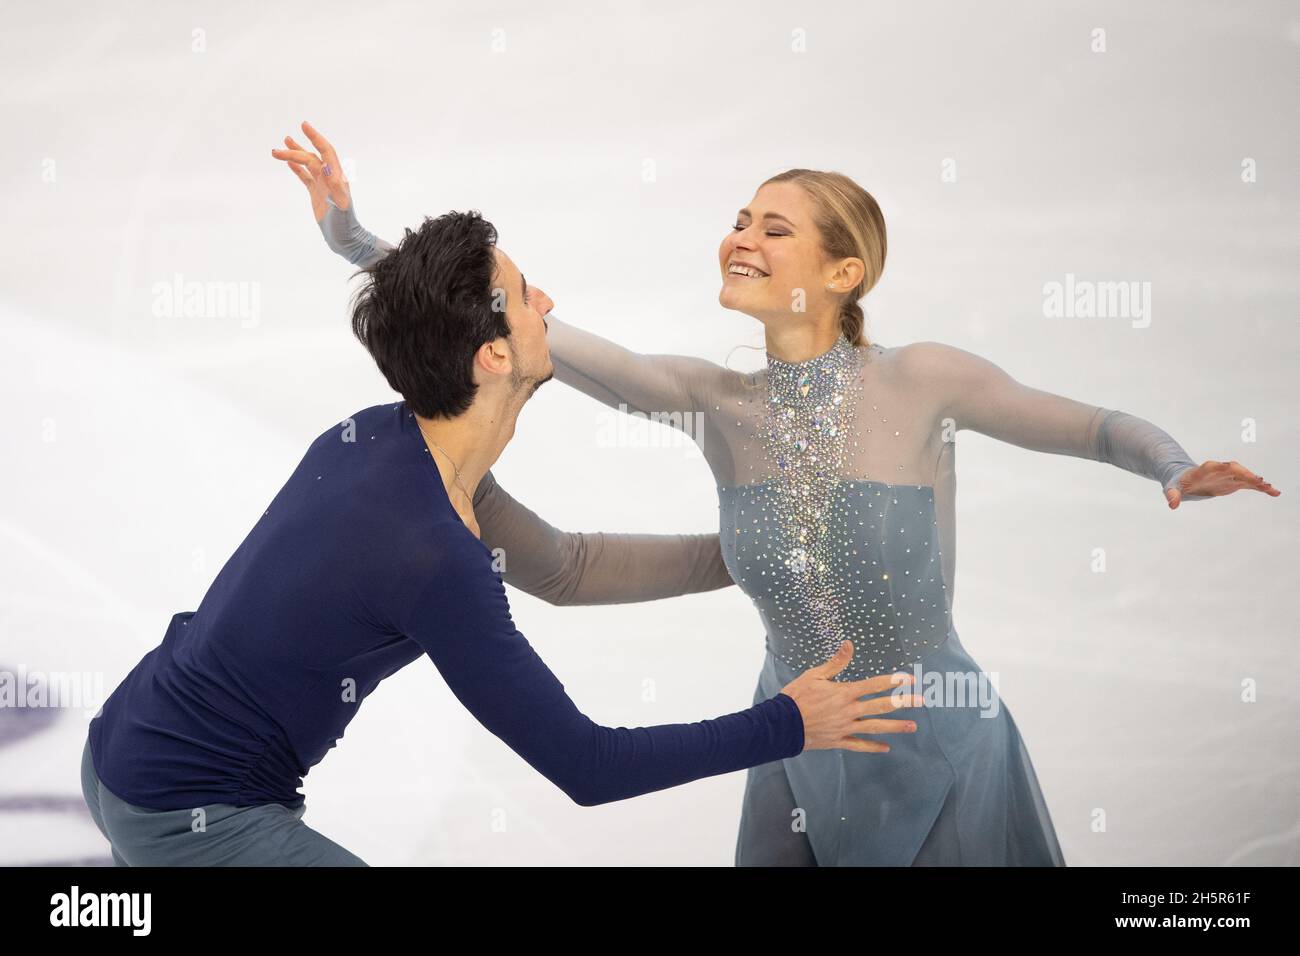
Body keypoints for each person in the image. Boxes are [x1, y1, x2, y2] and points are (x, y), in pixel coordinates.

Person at [283, 120, 1280, 866]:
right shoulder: (715, 402)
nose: (740, 236)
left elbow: (1089, 424)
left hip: (932, 739)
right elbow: (533, 332)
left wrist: (1170, 462)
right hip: (796, 742)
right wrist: (360, 244)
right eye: (736, 220)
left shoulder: (923, 379)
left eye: (774, 226)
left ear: (844, 270)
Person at [80, 203, 927, 867]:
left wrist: (742, 558)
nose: (548, 305)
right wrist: (788, 722)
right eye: (527, 297)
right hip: (187, 817)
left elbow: (565, 566)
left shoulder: (384, 437)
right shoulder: (431, 555)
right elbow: (587, 767)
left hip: (123, 740)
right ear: (491, 355)